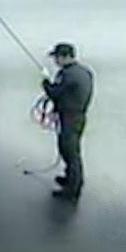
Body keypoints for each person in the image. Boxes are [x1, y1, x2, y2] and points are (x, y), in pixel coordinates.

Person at [41, 42, 95, 201]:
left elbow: (54, 92)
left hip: (71, 118)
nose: (55, 61)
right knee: (68, 149)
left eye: (57, 57)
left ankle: (73, 189)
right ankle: (70, 178)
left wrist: (44, 81)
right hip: (78, 116)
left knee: (70, 152)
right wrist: (57, 110)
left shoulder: (67, 74)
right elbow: (70, 95)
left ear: (66, 57)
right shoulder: (84, 72)